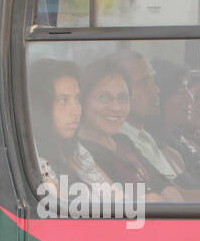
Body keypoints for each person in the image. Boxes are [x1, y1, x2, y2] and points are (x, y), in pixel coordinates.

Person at [76, 59, 183, 201]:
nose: (116, 108)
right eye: (104, 97)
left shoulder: (122, 141)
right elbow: (128, 205)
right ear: (83, 100)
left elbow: (163, 184)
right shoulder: (79, 152)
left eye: (122, 98)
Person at [29, 58, 114, 199]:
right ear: (42, 107)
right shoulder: (36, 160)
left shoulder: (76, 150)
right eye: (63, 100)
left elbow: (118, 198)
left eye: (77, 100)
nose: (75, 111)